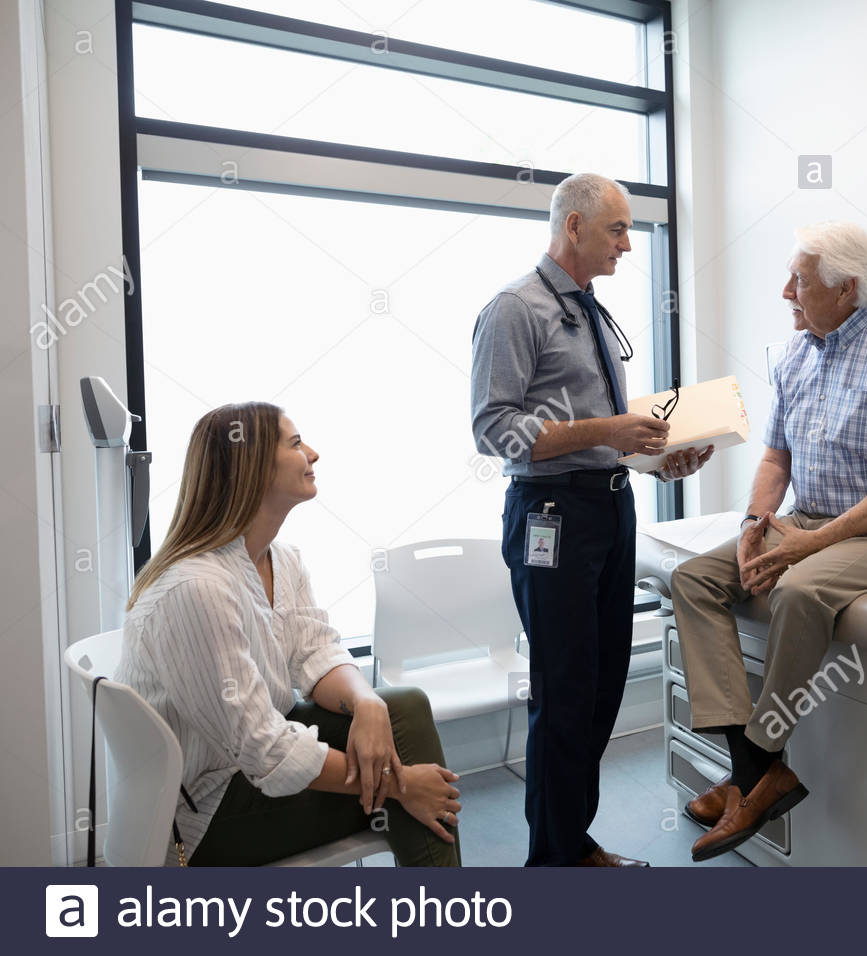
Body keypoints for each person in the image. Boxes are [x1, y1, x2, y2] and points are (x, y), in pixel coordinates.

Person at [670, 221, 867, 862]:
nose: (785, 290)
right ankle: (753, 772)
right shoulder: (798, 352)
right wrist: (753, 525)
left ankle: (759, 761)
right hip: (808, 517)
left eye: (799, 279)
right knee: (695, 578)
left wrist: (809, 543)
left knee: (798, 590)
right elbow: (775, 458)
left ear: (847, 287)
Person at [470, 172, 713, 866]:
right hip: (552, 517)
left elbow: (598, 431)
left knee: (603, 686)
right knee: (567, 690)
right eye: (617, 229)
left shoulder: (589, 309)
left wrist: (657, 459)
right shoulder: (516, 309)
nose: (628, 245)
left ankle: (573, 843)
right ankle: (555, 862)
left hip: (610, 505)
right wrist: (608, 427)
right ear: (573, 226)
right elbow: (496, 432)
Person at [117, 402, 462, 866]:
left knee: (403, 706)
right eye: (297, 444)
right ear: (253, 467)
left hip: (247, 772)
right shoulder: (197, 589)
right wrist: (402, 785)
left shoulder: (281, 558)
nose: (313, 454)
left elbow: (315, 653)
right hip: (209, 813)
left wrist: (367, 703)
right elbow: (262, 748)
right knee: (419, 789)